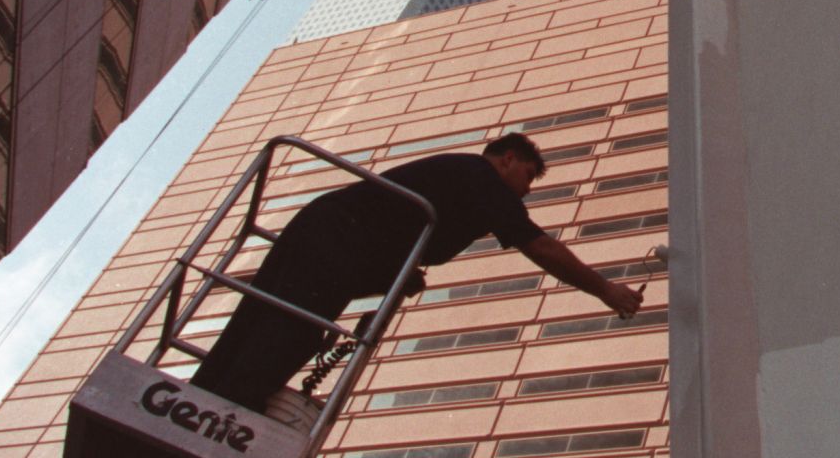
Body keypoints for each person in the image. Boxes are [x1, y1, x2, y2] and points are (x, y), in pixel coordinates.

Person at [191, 133, 642, 411]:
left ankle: (206, 401)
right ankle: (221, 412)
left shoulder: (457, 182)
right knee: (290, 330)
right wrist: (605, 290)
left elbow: (395, 229)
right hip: (333, 237)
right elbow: (537, 245)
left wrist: (398, 272)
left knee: (268, 323)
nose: (524, 192)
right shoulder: (480, 178)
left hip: (325, 232)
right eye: (526, 177)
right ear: (506, 158)